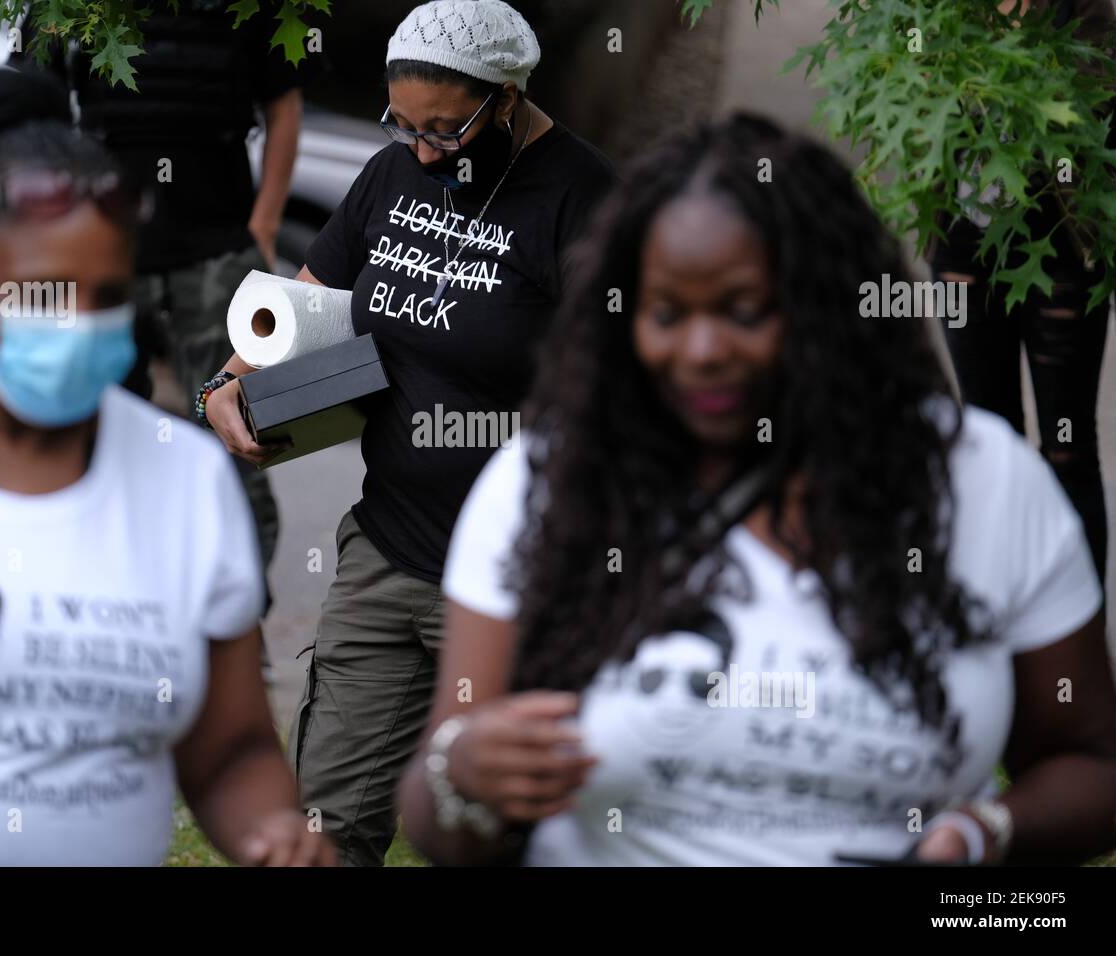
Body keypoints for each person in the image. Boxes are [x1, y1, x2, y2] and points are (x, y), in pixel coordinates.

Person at [398, 114, 1116, 866]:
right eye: (667, 314)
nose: (703, 351)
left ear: (827, 310)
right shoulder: (546, 481)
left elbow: (1090, 768)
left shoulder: (985, 485)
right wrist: (465, 774)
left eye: (743, 311)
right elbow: (434, 818)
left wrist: (979, 836)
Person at [0, 76, 333, 866]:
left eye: (110, 297)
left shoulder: (187, 482)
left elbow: (230, 753)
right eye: (45, 296)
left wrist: (270, 833)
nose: (80, 324)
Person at [202, 0, 616, 865]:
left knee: (507, 835)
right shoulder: (393, 177)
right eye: (406, 124)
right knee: (324, 830)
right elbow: (305, 303)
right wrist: (231, 385)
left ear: (507, 97)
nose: (424, 149)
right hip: (385, 551)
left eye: (447, 129)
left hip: (520, 585)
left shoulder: (586, 204)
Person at [13, 0, 328, 581]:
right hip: (106, 254)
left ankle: (237, 616)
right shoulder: (67, 7)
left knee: (236, 429)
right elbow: (34, 106)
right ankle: (101, 591)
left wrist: (263, 225)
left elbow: (284, 104)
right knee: (90, 429)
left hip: (215, 246)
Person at [931, 0, 1116, 580]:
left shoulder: (1083, 10)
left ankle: (1079, 644)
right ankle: (1007, 640)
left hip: (1060, 246)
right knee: (989, 450)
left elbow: (1096, 122)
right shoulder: (928, 13)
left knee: (1068, 451)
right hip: (964, 249)